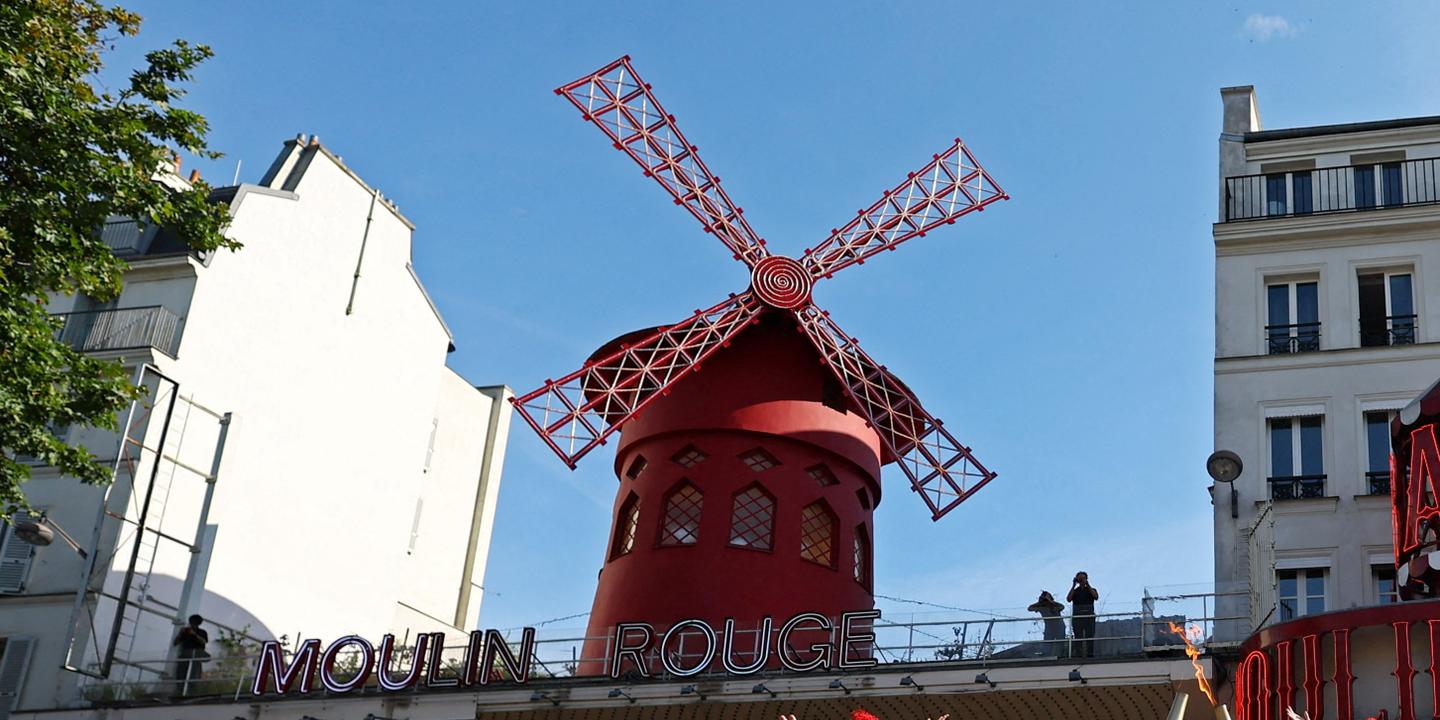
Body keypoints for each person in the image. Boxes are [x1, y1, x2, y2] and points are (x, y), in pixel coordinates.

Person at [172, 614, 210, 696]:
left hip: (196, 656)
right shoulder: (185, 632)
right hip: (185, 655)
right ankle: (180, 691)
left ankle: (192, 692)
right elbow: (175, 643)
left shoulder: (202, 632)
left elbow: (203, 641)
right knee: (181, 674)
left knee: (194, 675)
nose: (192, 625)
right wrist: (180, 633)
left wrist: (194, 634)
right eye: (191, 623)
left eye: (194, 623)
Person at [1067, 571, 1099, 658]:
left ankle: (1090, 654)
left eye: (1083, 578)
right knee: (1078, 636)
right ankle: (1078, 654)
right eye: (1079, 578)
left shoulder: (1091, 589)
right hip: (1078, 616)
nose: (1081, 580)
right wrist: (1073, 585)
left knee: (1090, 634)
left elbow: (1095, 597)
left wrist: (1087, 585)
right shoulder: (1075, 591)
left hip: (1089, 616)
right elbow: (1069, 599)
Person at [1026, 591, 1067, 656]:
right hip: (1049, 628)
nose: (1045, 601)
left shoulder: (1055, 606)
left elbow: (1062, 607)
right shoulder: (1041, 607)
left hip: (1059, 627)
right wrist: (1039, 602)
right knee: (1047, 644)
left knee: (1060, 644)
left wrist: (1051, 601)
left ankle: (1060, 657)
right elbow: (1029, 608)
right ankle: (1046, 656)